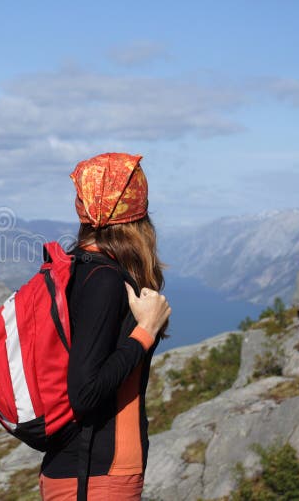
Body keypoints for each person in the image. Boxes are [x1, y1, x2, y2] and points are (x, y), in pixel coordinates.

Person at [38, 152, 171, 501]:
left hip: (80, 472)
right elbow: (85, 393)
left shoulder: (75, 270)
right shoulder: (105, 280)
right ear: (139, 216)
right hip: (98, 477)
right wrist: (145, 331)